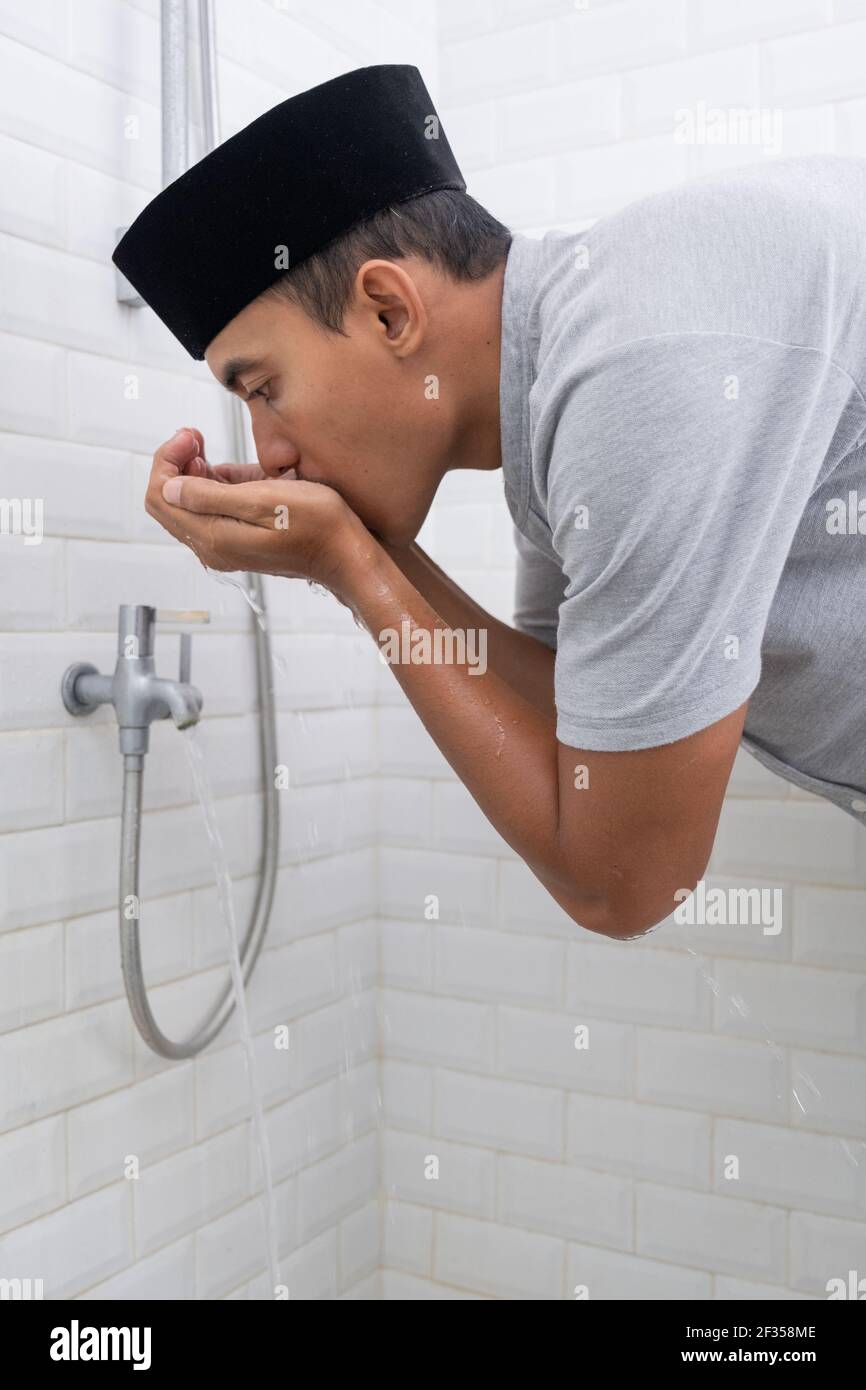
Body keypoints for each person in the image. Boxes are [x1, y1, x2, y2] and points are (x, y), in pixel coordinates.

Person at [114, 65, 866, 940]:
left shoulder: (633, 369)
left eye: (264, 390)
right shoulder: (568, 375)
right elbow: (576, 731)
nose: (268, 454)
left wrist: (354, 570)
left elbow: (622, 886)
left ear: (390, 312)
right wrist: (371, 552)